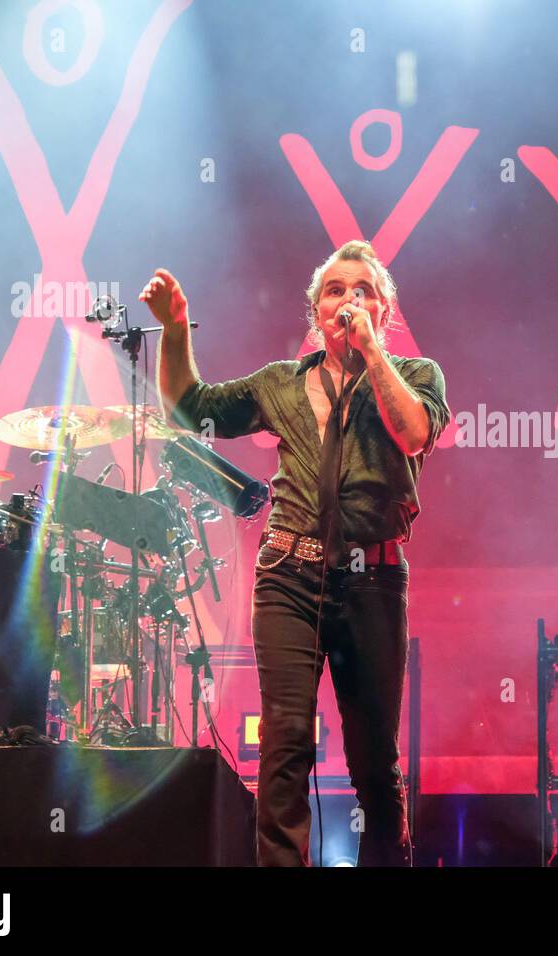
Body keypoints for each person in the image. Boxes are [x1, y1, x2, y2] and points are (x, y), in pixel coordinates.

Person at [143, 240, 449, 866]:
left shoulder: (417, 376)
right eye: (335, 290)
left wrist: (370, 352)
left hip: (375, 580)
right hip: (289, 573)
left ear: (384, 309)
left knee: (374, 762)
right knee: (284, 747)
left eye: (362, 290)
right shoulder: (281, 383)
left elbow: (414, 432)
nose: (348, 300)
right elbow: (187, 409)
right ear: (314, 313)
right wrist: (174, 332)